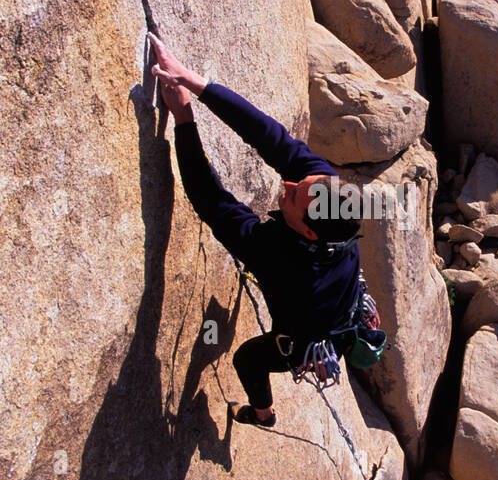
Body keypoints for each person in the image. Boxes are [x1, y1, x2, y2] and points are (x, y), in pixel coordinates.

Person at [148, 33, 366, 427]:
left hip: (307, 334)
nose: (287, 185)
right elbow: (267, 134)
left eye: (294, 198)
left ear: (311, 234)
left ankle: (263, 414)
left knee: (247, 359)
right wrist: (195, 83)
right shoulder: (327, 193)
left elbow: (212, 202)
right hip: (342, 300)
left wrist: (184, 121)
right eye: (301, 183)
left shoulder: (281, 260)